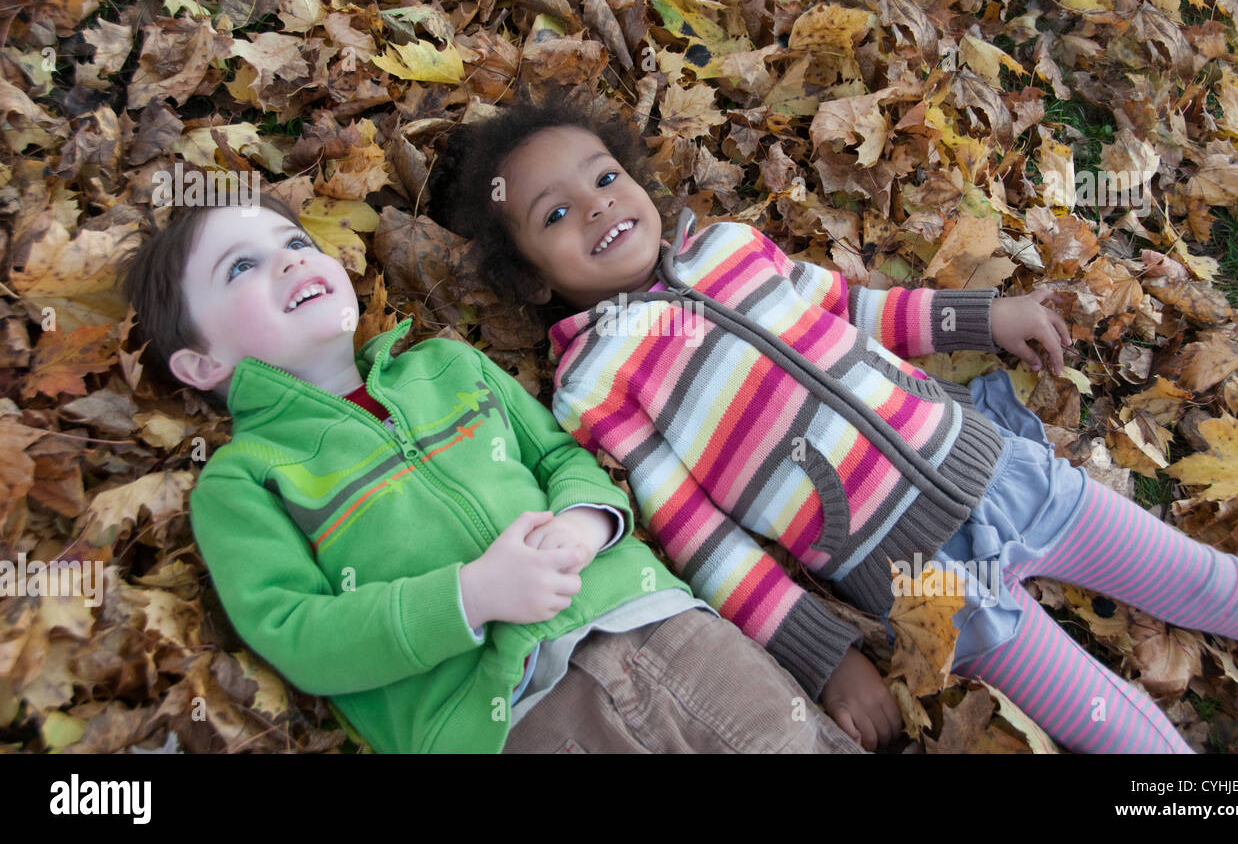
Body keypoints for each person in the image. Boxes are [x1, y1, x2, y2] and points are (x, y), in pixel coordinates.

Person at [430, 94, 1238, 753]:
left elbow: (854, 307)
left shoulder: (731, 248)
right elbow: (697, 535)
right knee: (1105, 721)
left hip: (996, 470)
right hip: (918, 584)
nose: (595, 207)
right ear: (532, 278)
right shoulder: (596, 383)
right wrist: (824, 654)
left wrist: (980, 318)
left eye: (605, 177)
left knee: (1211, 583)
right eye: (554, 213)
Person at [117, 193, 865, 754]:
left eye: (294, 240)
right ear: (203, 363)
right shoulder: (242, 481)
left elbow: (563, 453)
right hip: (510, 718)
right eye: (241, 266)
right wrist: (468, 597)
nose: (289, 259)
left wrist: (584, 519)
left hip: (658, 624)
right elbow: (300, 633)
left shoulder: (449, 366)